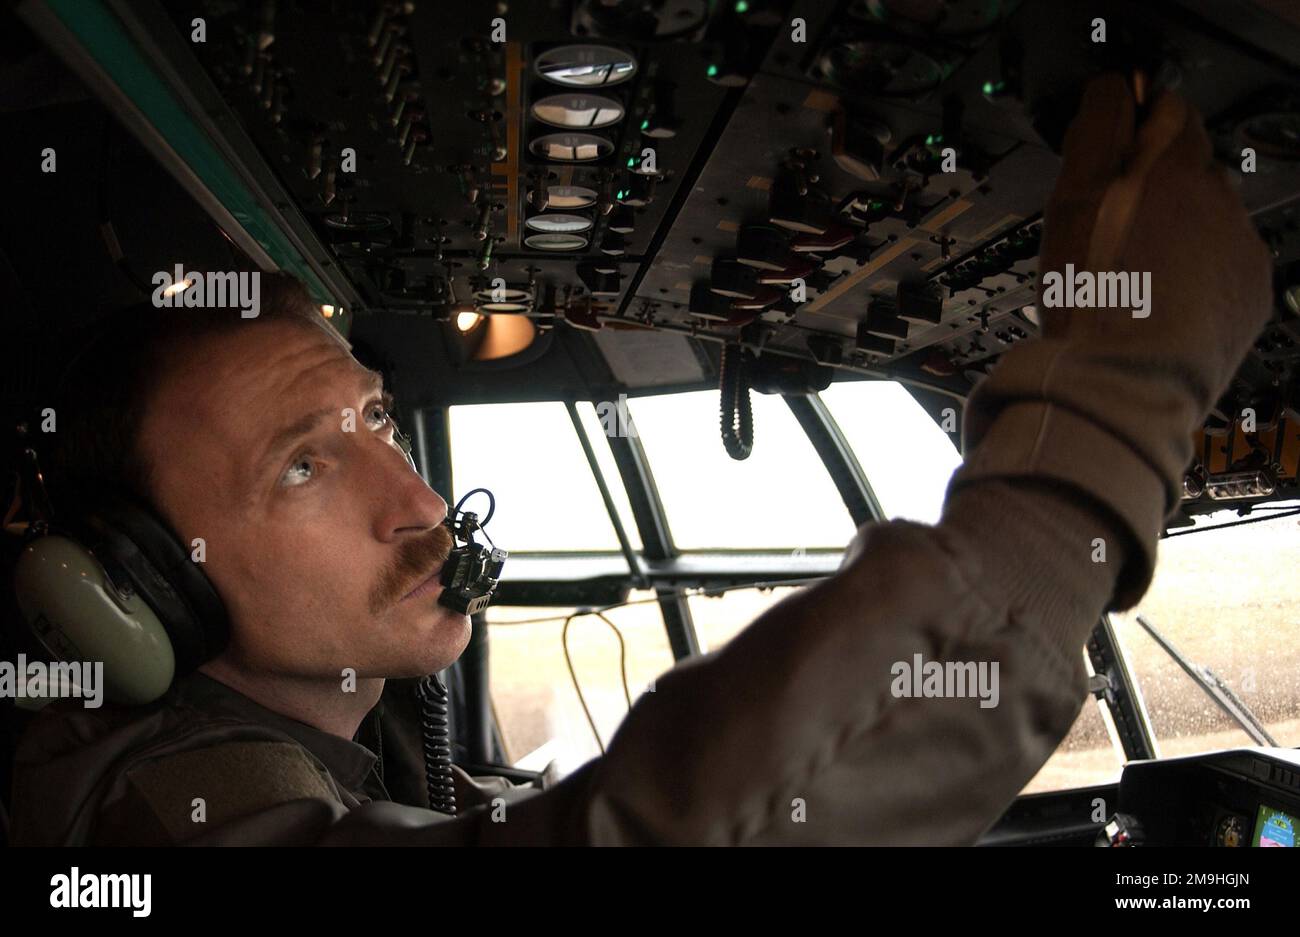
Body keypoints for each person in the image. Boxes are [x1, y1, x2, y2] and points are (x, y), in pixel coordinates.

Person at [6, 74, 1273, 845]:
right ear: (137, 588)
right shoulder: (155, 819)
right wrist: (1111, 410)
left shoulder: (345, 716)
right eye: (300, 467)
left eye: (379, 423)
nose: (415, 505)